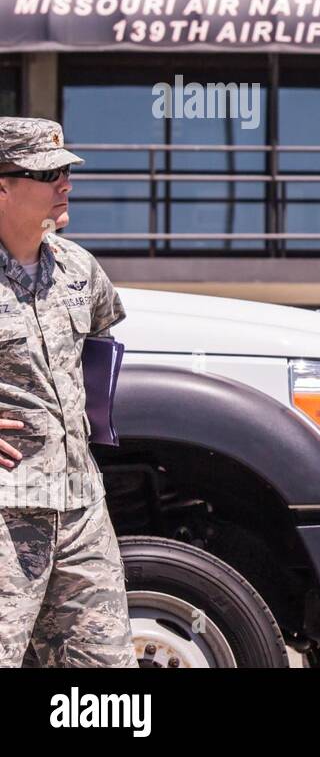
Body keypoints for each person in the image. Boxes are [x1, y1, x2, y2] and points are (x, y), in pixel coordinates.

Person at [0, 117, 135, 667]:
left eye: (66, 171)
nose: (66, 183)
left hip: (81, 510)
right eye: (48, 172)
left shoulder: (80, 269)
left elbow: (99, 348)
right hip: (7, 514)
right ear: (2, 184)